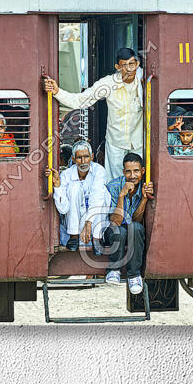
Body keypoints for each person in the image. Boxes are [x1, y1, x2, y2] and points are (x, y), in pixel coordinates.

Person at [43, 47, 144, 179]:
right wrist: (57, 92)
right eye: (124, 65)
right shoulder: (108, 84)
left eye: (132, 64)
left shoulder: (144, 79)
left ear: (137, 64)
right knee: (114, 181)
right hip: (116, 143)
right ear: (117, 67)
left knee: (140, 178)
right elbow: (81, 101)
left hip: (139, 142)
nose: (129, 69)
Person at [103, 152, 154, 294]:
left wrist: (144, 199)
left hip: (131, 229)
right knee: (120, 231)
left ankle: (134, 275)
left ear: (142, 171)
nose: (133, 175)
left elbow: (136, 220)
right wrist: (122, 195)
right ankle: (114, 269)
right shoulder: (113, 186)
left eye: (136, 171)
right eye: (129, 172)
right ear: (123, 172)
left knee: (136, 228)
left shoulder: (143, 186)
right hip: (113, 230)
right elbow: (115, 221)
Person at [45, 140, 110, 252]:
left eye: (86, 156)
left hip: (95, 221)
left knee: (103, 194)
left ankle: (97, 238)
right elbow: (63, 209)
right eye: (79, 158)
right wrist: (58, 186)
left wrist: (88, 222)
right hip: (73, 221)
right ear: (74, 159)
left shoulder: (99, 171)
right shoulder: (66, 175)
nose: (83, 161)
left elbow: (97, 198)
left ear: (92, 156)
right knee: (74, 187)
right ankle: (73, 236)